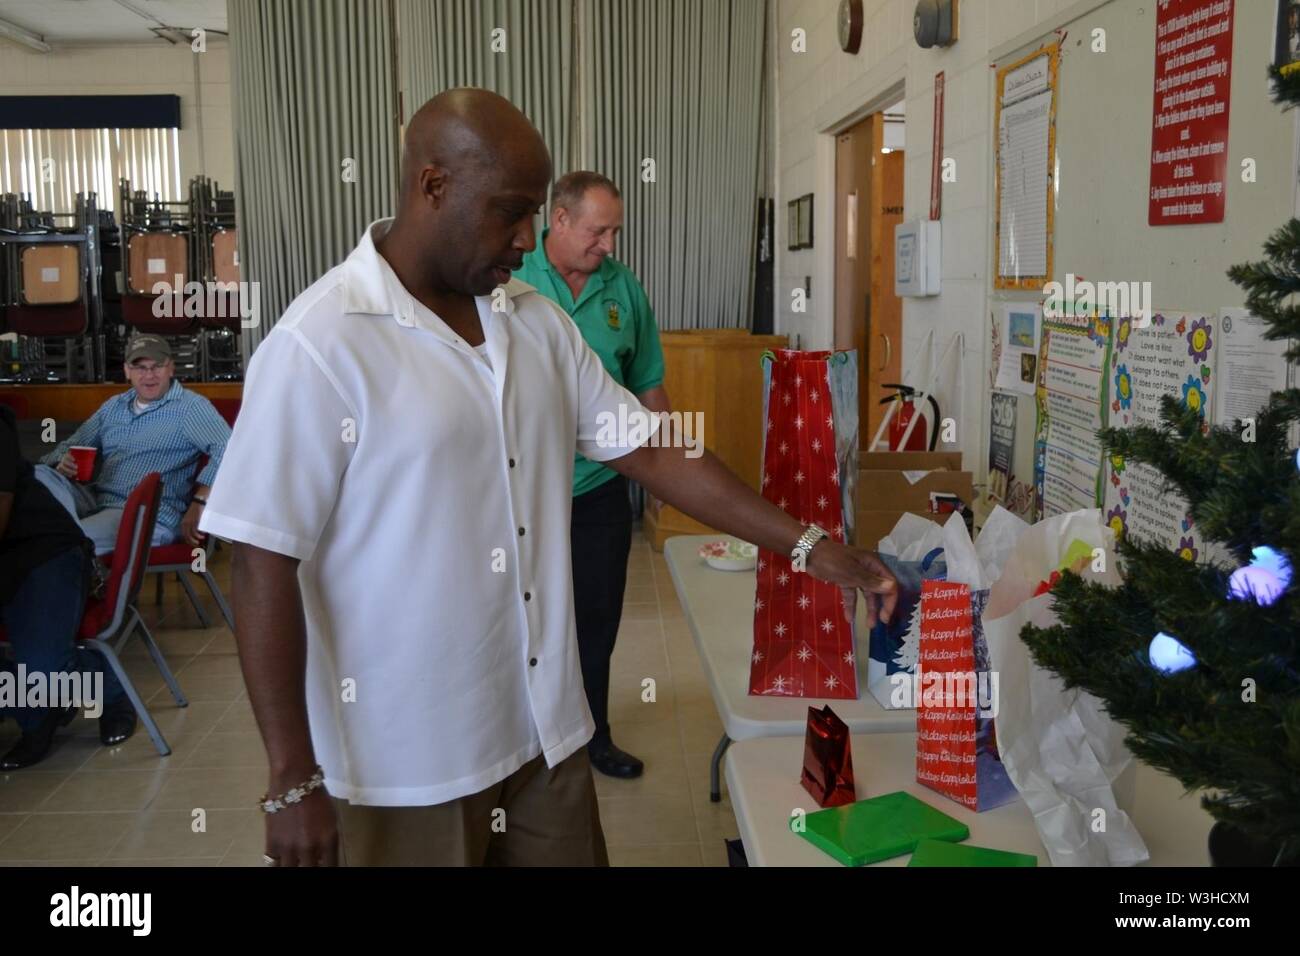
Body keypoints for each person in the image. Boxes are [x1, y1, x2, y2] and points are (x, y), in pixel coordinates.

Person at [199, 88, 897, 867]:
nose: (529, 238)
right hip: (406, 765)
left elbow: (654, 450)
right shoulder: (320, 345)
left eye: (536, 212)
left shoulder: (533, 320)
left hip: (543, 737)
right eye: (511, 211)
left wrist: (809, 545)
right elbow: (261, 559)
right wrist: (292, 777)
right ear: (433, 186)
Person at [514, 170, 666, 779]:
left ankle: (593, 737)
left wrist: (664, 475)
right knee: (524, 622)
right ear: (560, 219)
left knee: (595, 622)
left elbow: (649, 381)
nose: (608, 244)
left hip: (599, 491)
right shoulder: (514, 277)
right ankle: (525, 744)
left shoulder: (623, 288)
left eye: (615, 231)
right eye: (597, 231)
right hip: (522, 493)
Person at [0, 404, 136, 767]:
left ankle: (105, 692)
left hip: (43, 553)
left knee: (44, 668)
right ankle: (40, 703)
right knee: (34, 675)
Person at [37, 334, 230, 555]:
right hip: (97, 499)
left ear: (171, 369)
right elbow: (70, 445)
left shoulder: (190, 407)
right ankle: (62, 536)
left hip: (144, 512)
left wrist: (201, 499)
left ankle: (63, 541)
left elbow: (229, 448)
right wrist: (63, 462)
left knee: (61, 541)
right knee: (41, 474)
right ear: (127, 371)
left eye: (157, 366)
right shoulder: (114, 406)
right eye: (139, 367)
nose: (149, 375)